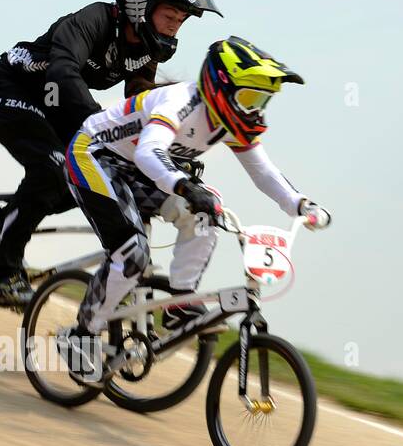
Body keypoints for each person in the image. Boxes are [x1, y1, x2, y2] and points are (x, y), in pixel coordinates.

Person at [57, 36, 332, 380]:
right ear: (221, 86)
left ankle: (179, 301)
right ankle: (81, 334)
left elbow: (263, 172)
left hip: (139, 171)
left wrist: (300, 205)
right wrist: (185, 186)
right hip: (93, 156)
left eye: (262, 101)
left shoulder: (227, 122)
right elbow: (147, 151)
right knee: (131, 254)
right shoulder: (181, 101)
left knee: (207, 212)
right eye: (249, 98)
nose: (255, 110)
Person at [0, 0, 221, 307]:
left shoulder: (146, 48)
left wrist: (170, 147)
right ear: (143, 4)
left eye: (180, 22)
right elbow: (63, 72)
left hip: (57, 106)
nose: (173, 28)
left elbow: (141, 103)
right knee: (54, 167)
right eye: (170, 17)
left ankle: (10, 216)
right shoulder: (94, 19)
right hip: (10, 89)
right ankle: (5, 273)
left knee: (84, 173)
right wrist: (99, 126)